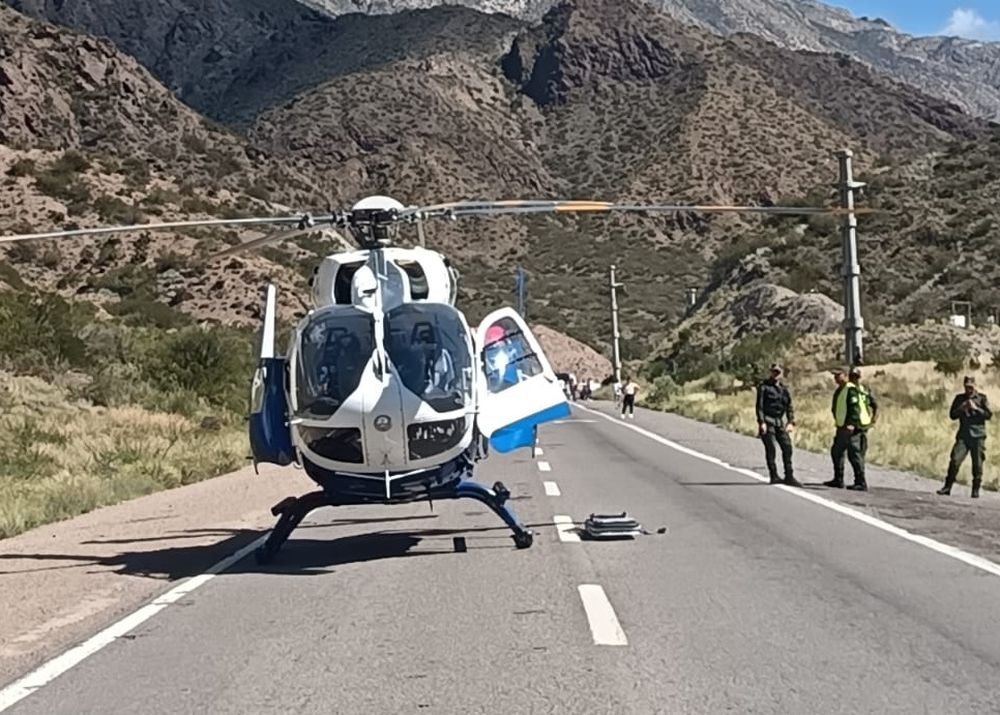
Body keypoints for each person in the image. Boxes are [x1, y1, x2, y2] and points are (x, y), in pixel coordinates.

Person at [937, 375, 992, 498]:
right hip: (963, 435)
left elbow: (988, 415)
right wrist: (961, 408)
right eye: (967, 387)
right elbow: (952, 415)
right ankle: (947, 487)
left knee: (977, 464)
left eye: (971, 387)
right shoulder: (959, 399)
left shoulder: (982, 398)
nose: (969, 390)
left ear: (975, 386)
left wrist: (976, 408)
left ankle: (975, 489)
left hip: (978, 436)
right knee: (955, 460)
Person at [825, 367, 873, 491]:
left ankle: (861, 482)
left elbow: (855, 408)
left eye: (838, 375)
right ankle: (838, 479)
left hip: (851, 428)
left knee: (854, 454)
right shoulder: (841, 390)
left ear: (845, 375)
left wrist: (852, 423)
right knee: (837, 452)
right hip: (842, 427)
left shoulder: (851, 389)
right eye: (834, 376)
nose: (836, 378)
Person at [755, 364, 801, 487]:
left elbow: (789, 406)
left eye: (778, 372)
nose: (776, 374)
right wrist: (761, 422)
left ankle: (789, 476)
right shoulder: (764, 387)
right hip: (768, 421)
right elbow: (759, 407)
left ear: (781, 373)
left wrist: (791, 421)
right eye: (774, 372)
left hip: (779, 422)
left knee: (787, 447)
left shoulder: (783, 389)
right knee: (771, 449)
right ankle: (774, 475)